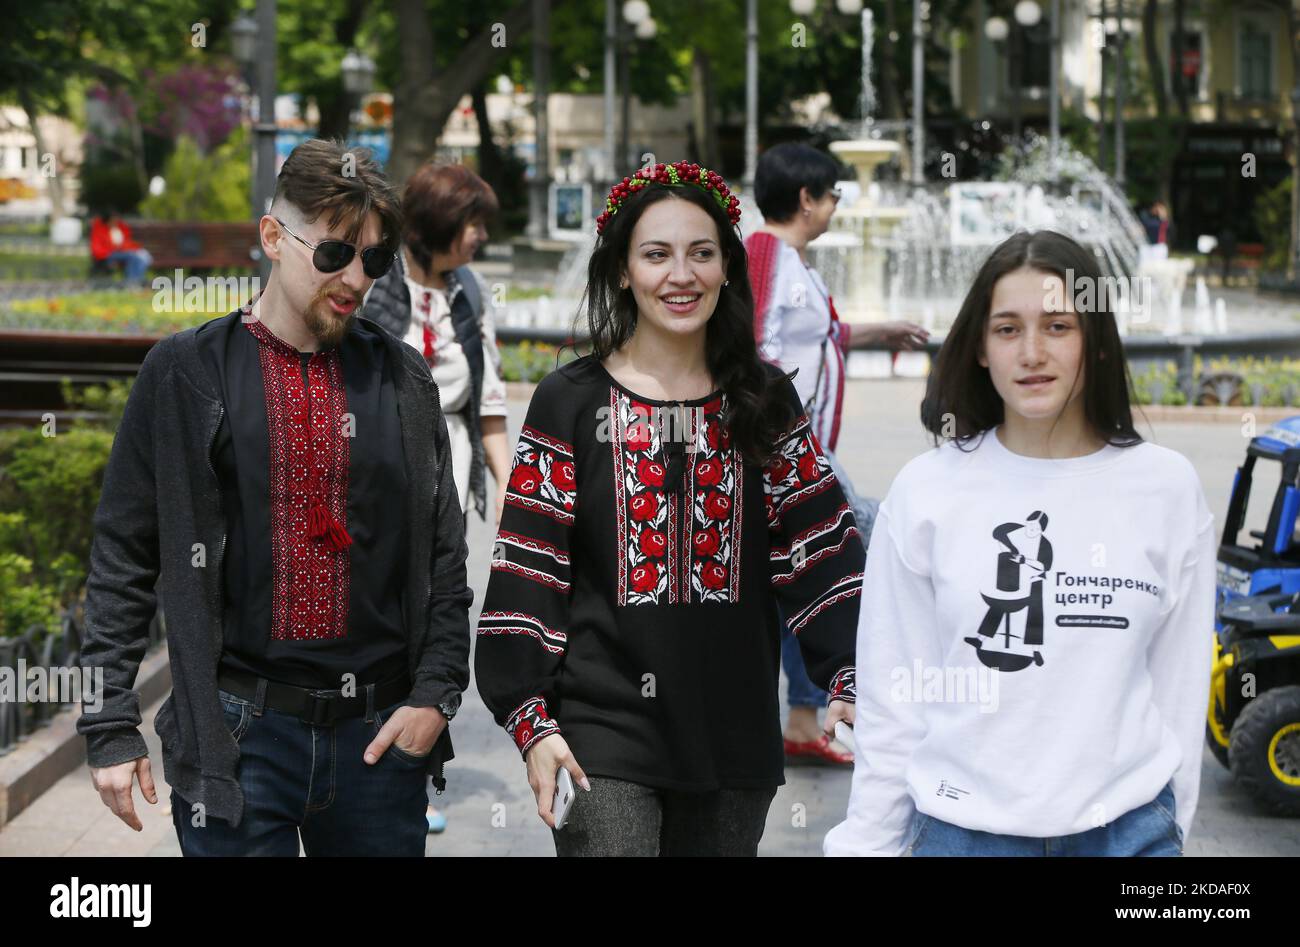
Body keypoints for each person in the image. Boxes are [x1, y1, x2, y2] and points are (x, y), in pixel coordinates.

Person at [77, 138, 473, 857]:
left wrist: (436, 695)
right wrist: (108, 722)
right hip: (237, 738)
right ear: (272, 238)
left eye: (373, 259)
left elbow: (445, 557)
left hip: (379, 744)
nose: (355, 277)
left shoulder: (403, 380)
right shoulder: (187, 372)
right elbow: (124, 554)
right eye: (334, 254)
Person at [474, 161, 865, 856]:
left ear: (726, 268)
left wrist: (849, 674)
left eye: (701, 253)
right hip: (602, 732)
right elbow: (529, 569)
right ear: (623, 270)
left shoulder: (766, 399)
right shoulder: (570, 400)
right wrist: (531, 719)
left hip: (734, 732)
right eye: (656, 254)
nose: (680, 274)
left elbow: (823, 549)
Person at [824, 230, 1216, 857]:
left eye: (1058, 326)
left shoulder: (1166, 489)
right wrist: (867, 846)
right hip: (962, 835)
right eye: (1007, 329)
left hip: (1129, 835)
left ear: (1095, 340)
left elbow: (1179, 688)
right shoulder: (928, 491)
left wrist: (1172, 837)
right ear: (980, 347)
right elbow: (895, 700)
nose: (1032, 351)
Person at [746, 141, 929, 767]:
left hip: (803, 455)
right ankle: (861, 699)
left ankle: (803, 714)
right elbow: (752, 343)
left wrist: (883, 332)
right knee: (862, 543)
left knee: (805, 568)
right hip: (786, 454)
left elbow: (819, 336)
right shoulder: (766, 251)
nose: (834, 208)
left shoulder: (798, 266)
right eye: (832, 196)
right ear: (806, 199)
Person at [362, 161, 510, 834]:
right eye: (468, 223)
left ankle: (414, 768)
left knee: (433, 618)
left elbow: (492, 405)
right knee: (378, 616)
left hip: (446, 468)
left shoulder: (471, 293)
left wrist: (512, 494)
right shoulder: (373, 283)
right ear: (429, 227)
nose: (478, 236)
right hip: (374, 471)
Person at [89, 210, 153, 285]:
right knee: (133, 257)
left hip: (119, 252)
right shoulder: (100, 229)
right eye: (113, 220)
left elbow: (125, 242)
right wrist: (114, 247)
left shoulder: (119, 228)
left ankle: (136, 280)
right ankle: (132, 281)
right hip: (107, 254)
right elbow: (99, 248)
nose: (115, 222)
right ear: (108, 220)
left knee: (139, 258)